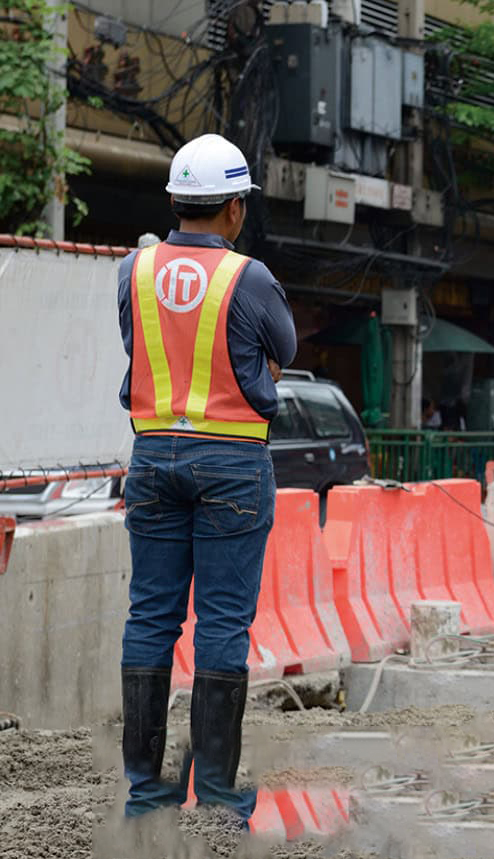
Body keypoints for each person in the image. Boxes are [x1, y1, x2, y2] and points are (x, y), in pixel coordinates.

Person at [117, 133, 296, 823]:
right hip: (232, 463)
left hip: (153, 456)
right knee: (222, 620)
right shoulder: (248, 277)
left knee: (150, 617)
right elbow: (281, 350)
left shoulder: (133, 271)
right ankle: (218, 796)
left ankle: (146, 795)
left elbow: (137, 351)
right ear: (235, 209)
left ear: (171, 201)